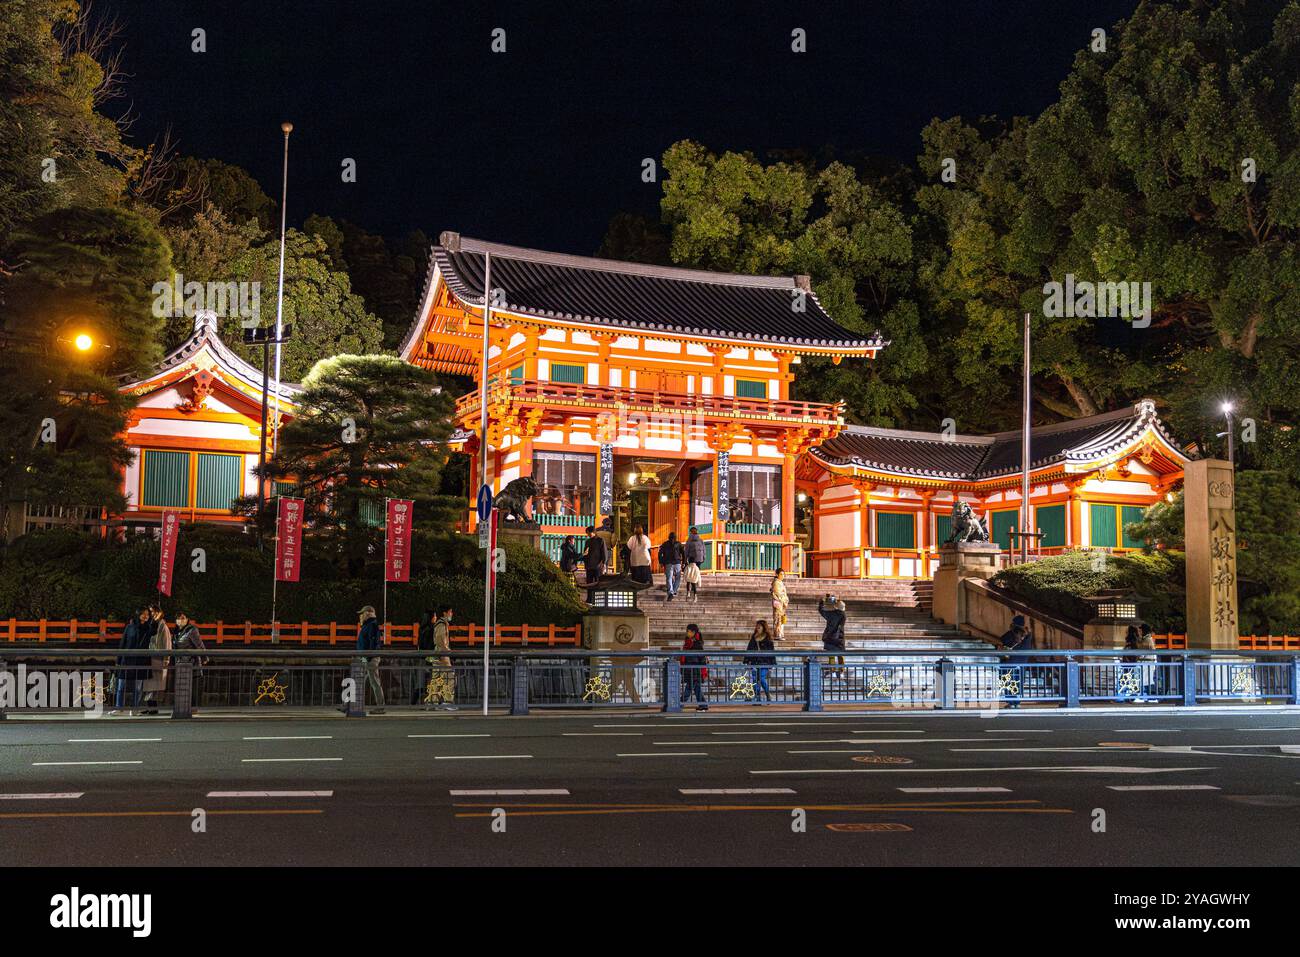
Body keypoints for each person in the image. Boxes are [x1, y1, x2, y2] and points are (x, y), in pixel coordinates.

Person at [111, 608, 150, 714]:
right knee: (121, 685)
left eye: (147, 614)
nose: (146, 616)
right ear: (138, 615)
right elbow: (123, 643)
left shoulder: (148, 628)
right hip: (126, 659)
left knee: (137, 688)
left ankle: (134, 709)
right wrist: (118, 659)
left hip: (140, 660)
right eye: (143, 614)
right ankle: (119, 708)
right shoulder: (129, 627)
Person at [139, 605, 172, 715]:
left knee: (155, 685)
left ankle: (153, 707)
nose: (151, 614)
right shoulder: (152, 625)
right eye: (150, 611)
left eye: (153, 611)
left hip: (158, 658)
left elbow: (167, 644)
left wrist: (166, 659)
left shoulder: (163, 627)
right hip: (150, 658)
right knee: (149, 684)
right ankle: (150, 706)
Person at [173, 611, 208, 713]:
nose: (181, 620)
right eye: (178, 618)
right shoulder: (176, 631)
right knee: (183, 686)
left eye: (183, 618)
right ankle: (183, 708)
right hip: (180, 664)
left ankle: (193, 708)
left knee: (194, 687)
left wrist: (205, 657)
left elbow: (199, 645)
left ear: (187, 619)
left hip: (192, 663)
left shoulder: (192, 630)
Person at [998, 615, 1032, 708]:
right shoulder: (1027, 635)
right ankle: (1017, 702)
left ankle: (1011, 702)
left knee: (1008, 681)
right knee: (1018, 681)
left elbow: (1003, 641)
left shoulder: (1011, 633)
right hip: (1022, 662)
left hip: (1010, 661)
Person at [356, 604, 385, 714]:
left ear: (367, 613)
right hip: (367, 657)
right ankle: (350, 703)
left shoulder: (371, 625)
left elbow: (373, 643)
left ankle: (380, 706)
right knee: (362, 680)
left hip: (370, 658)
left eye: (362, 614)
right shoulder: (368, 625)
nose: (360, 616)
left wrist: (367, 657)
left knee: (373, 682)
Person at [429, 604, 457, 711]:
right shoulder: (442, 624)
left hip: (438, 654)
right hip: (443, 655)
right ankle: (447, 701)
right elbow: (441, 641)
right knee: (450, 677)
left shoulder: (439, 624)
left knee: (436, 679)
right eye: (450, 611)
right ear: (445, 613)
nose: (451, 613)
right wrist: (448, 651)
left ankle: (433, 702)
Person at [818, 594, 847, 682]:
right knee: (841, 656)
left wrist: (822, 602)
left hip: (830, 637)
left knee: (831, 656)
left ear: (836, 606)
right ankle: (841, 672)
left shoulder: (831, 614)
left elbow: (821, 610)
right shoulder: (843, 615)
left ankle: (833, 672)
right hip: (839, 638)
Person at [746, 620, 776, 704]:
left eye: (759, 626)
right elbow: (749, 649)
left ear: (763, 627)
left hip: (765, 662)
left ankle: (767, 694)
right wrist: (747, 661)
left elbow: (772, 651)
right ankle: (757, 698)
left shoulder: (768, 638)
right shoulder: (754, 637)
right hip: (754, 661)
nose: (757, 628)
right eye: (757, 626)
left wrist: (772, 663)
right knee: (755, 679)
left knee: (761, 678)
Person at [680, 623, 709, 711]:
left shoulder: (697, 644)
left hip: (695, 669)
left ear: (693, 632)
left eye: (688, 631)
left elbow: (701, 658)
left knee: (689, 688)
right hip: (689, 668)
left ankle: (679, 703)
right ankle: (703, 704)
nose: (687, 633)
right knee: (696, 688)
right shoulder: (688, 643)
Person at [658, 531, 685, 601]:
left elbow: (659, 553)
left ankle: (670, 592)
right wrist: (684, 562)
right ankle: (674, 590)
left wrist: (661, 562)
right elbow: (684, 553)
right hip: (677, 562)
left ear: (668, 537)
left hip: (668, 563)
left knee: (669, 578)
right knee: (678, 578)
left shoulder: (665, 544)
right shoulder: (679, 544)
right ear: (675, 537)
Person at [770, 568, 789, 639]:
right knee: (778, 618)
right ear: (777, 574)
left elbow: (784, 594)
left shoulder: (780, 582)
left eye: (784, 574)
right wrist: (784, 601)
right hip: (778, 602)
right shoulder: (776, 583)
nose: (783, 576)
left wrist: (786, 601)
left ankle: (780, 634)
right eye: (781, 574)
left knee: (781, 618)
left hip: (782, 603)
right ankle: (777, 634)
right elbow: (779, 594)